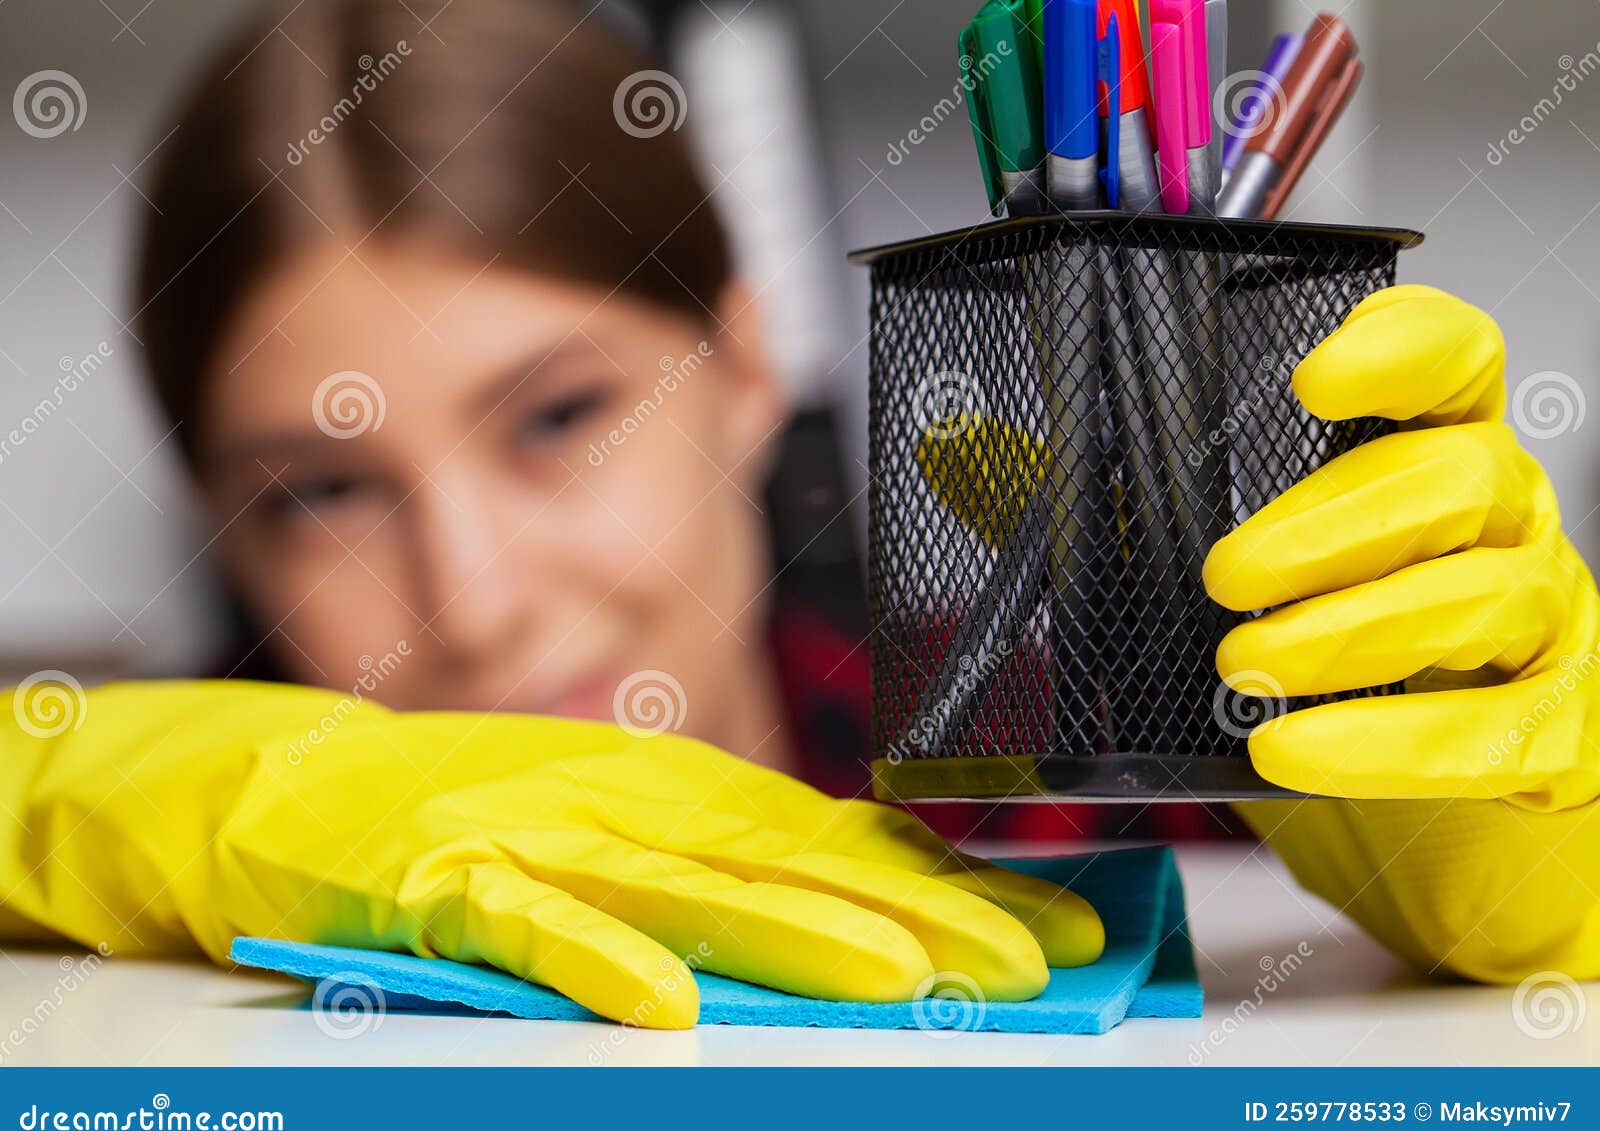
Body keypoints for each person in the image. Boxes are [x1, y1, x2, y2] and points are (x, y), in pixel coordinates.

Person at [1, 0, 1596, 1027]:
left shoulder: (1075, 771)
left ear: (754, 364)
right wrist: (121, 811)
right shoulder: (159, 882)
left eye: (557, 418)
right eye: (326, 489)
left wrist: (1527, 906)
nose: (473, 598)